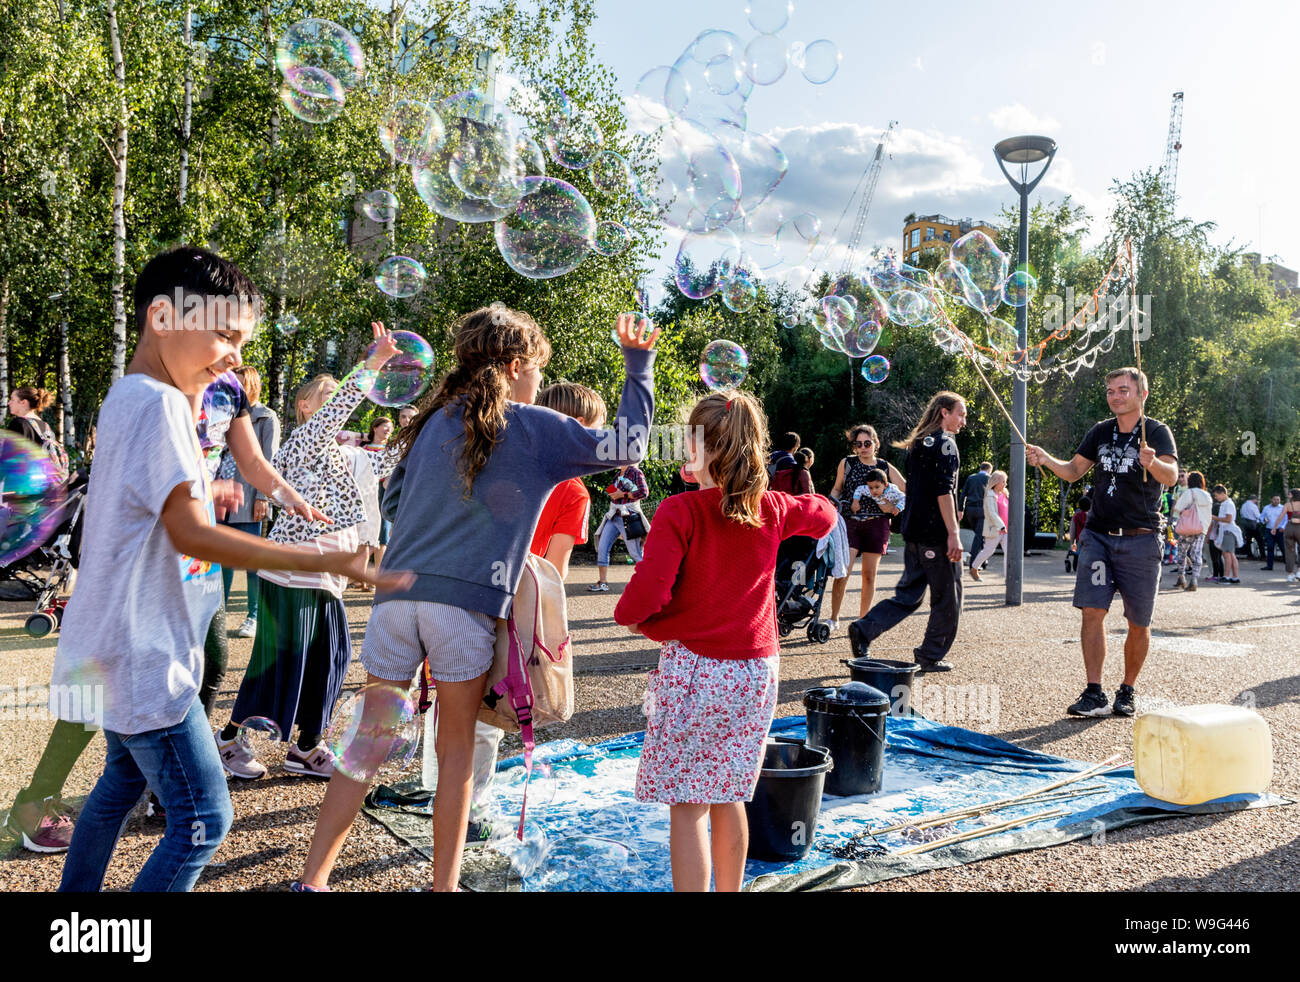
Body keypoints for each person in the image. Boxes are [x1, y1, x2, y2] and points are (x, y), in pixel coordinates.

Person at [48, 246, 408, 892]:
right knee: (204, 819)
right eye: (225, 334)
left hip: (112, 650)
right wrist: (326, 557)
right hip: (146, 661)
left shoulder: (129, 397)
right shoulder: (161, 406)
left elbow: (157, 518)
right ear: (163, 316)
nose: (235, 357)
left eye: (241, 342)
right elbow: (193, 535)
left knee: (117, 787)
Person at [296, 307, 658, 894]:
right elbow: (629, 445)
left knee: (367, 743)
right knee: (456, 748)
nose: (540, 381)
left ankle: (312, 881)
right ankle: (444, 889)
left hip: (397, 599)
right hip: (461, 607)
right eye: (538, 370)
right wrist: (637, 361)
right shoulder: (536, 427)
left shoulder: (432, 420)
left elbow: (391, 504)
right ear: (517, 367)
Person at [613, 391, 836, 891]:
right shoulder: (773, 507)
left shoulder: (680, 511)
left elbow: (643, 599)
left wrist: (638, 622)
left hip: (696, 671)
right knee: (730, 794)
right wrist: (803, 492)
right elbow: (823, 514)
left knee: (689, 805)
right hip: (757, 672)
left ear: (700, 447)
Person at [215, 330, 403, 781]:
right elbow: (338, 411)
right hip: (294, 571)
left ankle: (305, 745)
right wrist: (373, 365)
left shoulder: (347, 455)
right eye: (328, 397)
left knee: (332, 658)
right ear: (304, 406)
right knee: (284, 664)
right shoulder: (301, 443)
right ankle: (229, 739)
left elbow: (394, 456)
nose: (340, 405)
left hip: (326, 576)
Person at [1024, 367, 1179, 718]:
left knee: (1138, 621)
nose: (1115, 396)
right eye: (1110, 390)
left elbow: (1170, 477)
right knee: (1092, 611)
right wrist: (1047, 459)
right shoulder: (1100, 431)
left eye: (1123, 390)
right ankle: (1094, 691)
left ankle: (1127, 690)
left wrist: (1152, 463)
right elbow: (1074, 470)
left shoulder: (1156, 431)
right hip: (1097, 537)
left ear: (1142, 394)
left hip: (1141, 539)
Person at [848, 392, 966, 672]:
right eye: (960, 414)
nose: (963, 421)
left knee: (909, 595)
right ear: (944, 413)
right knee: (948, 597)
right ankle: (930, 655)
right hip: (934, 533)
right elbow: (943, 491)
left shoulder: (917, 444)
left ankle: (863, 630)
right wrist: (953, 532)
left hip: (914, 529)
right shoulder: (945, 444)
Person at [217, 366, 280, 638]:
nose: (235, 389)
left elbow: (269, 460)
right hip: (221, 499)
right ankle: (217, 617)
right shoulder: (221, 414)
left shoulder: (266, 418)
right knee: (221, 561)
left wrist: (264, 497)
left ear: (252, 386)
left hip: (249, 498)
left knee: (253, 562)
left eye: (241, 384)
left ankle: (253, 617)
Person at [829, 424, 907, 627]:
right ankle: (834, 618)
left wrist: (895, 505)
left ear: (875, 443)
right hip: (851, 523)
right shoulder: (847, 463)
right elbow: (837, 489)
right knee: (843, 571)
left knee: (869, 575)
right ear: (854, 446)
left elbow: (907, 488)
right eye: (858, 444)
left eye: (867, 443)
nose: (863, 447)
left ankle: (863, 620)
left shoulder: (885, 466)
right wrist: (831, 504)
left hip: (877, 524)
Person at [589, 462, 651, 591]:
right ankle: (602, 583)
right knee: (602, 547)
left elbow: (644, 492)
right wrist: (614, 494)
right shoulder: (617, 474)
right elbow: (615, 494)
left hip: (628, 517)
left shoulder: (635, 472)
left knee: (636, 553)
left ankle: (650, 581)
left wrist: (622, 494)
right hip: (614, 516)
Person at [359, 414, 395, 587]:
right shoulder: (362, 449)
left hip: (383, 492)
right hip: (365, 492)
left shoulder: (392, 450)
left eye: (391, 427)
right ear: (375, 428)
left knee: (382, 535)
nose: (388, 430)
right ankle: (361, 577)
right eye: (385, 426)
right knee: (364, 533)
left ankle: (377, 578)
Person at [1170, 471, 1212, 591]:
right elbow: (1209, 515)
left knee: (1182, 553)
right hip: (1201, 529)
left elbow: (1178, 508)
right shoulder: (1207, 495)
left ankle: (1181, 578)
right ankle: (1194, 580)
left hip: (1187, 529)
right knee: (1196, 554)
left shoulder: (1189, 493)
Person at [969, 469, 1009, 580]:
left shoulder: (1005, 494)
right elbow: (991, 513)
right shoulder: (990, 495)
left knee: (1009, 553)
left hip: (1007, 530)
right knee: (988, 551)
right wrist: (1001, 526)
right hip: (995, 529)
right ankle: (974, 568)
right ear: (996, 482)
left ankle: (1008, 577)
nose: (1005, 484)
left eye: (1005, 481)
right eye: (1003, 482)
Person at [959, 461, 993, 571]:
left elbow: (963, 494)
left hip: (970, 511)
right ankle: (974, 564)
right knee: (978, 537)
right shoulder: (990, 479)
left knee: (979, 536)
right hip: (983, 510)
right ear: (989, 470)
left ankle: (983, 561)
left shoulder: (971, 478)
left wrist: (960, 509)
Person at [1209, 485, 1242, 584]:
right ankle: (1235, 577)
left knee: (1227, 555)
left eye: (1216, 495)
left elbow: (1228, 519)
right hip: (1226, 531)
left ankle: (1226, 576)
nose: (1216, 498)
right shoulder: (1225, 503)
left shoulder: (1228, 504)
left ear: (1223, 493)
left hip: (1228, 531)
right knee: (1231, 555)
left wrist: (1215, 518)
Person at [1065, 496, 1091, 573]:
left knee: (1076, 552)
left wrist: (1072, 543)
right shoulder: (1092, 516)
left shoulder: (1076, 517)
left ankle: (1076, 567)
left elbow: (1072, 531)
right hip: (1090, 541)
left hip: (1080, 541)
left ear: (1079, 506)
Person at [1260, 493, 1285, 571]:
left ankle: (1288, 565)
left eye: (1278, 499)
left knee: (1283, 548)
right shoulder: (1266, 508)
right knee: (1270, 548)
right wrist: (1263, 520)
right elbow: (1261, 516)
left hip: (1280, 530)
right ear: (1271, 500)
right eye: (1275, 499)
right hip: (1269, 530)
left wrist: (1283, 527)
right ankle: (1269, 566)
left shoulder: (1283, 508)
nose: (1276, 501)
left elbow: (1286, 519)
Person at [1283, 488, 1300, 583]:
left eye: (1289, 494)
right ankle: (1299, 572)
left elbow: (1281, 516)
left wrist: (1274, 527)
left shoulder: (1288, 505)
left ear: (1293, 495)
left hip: (1289, 527)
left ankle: (1290, 574)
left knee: (1289, 551)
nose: (1288, 496)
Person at [1239, 494, 1262, 561]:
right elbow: (1257, 515)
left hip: (1246, 524)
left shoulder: (1243, 505)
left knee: (1248, 540)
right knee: (1259, 540)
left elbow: (1241, 514)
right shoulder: (1253, 506)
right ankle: (1262, 555)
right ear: (1254, 499)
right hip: (1254, 524)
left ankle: (1249, 555)